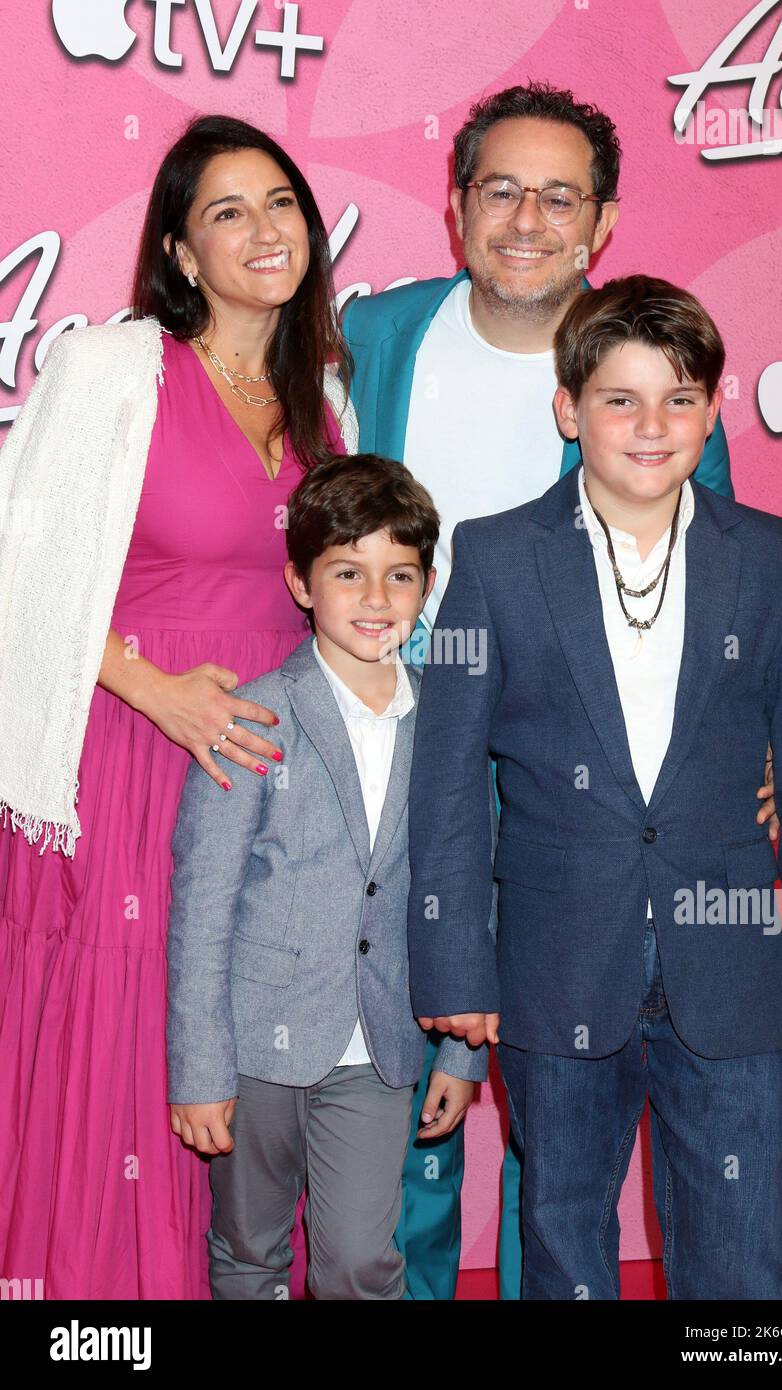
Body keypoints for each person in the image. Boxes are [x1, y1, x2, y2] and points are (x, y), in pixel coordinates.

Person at [341, 80, 776, 1300]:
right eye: (500, 190)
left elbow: (719, 594)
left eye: (558, 195)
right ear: (454, 204)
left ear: (603, 218)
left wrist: (744, 764)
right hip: (396, 772)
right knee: (396, 1114)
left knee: (560, 1119)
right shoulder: (378, 338)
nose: (526, 219)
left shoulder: (644, 372)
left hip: (574, 800)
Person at [407, 274, 782, 1300]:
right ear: (568, 410)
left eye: (678, 399)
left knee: (741, 1245)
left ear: (711, 408)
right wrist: (453, 971)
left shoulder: (772, 559)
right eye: (619, 399)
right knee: (562, 1236)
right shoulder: (492, 556)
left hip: (736, 967)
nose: (650, 426)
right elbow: (443, 783)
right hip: (552, 966)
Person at [0, 115, 357, 1298]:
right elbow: (23, 567)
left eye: (282, 204)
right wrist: (152, 688)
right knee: (129, 1036)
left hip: (266, 778)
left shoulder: (322, 397)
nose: (265, 231)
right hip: (130, 754)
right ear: (180, 250)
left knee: (244, 1048)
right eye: (227, 211)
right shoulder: (115, 368)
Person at [166, 454, 487, 1299]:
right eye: (349, 573)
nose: (376, 600)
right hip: (255, 1043)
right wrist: (200, 1069)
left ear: (425, 588)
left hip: (381, 1045)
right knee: (249, 1250)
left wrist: (459, 1049)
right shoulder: (254, 717)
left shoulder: (449, 724)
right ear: (301, 583)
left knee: (358, 1261)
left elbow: (465, 892)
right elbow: (201, 907)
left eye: (400, 576)